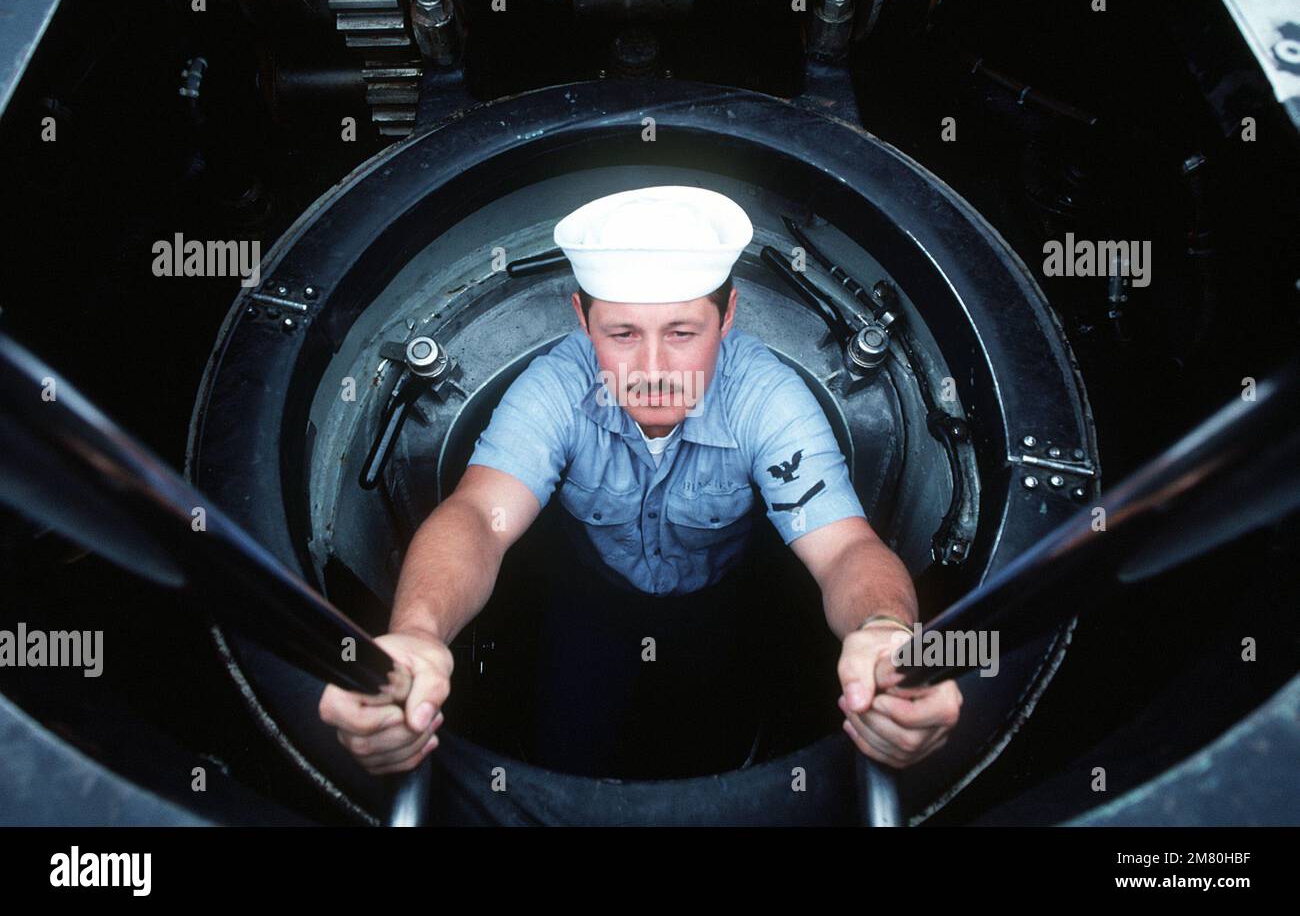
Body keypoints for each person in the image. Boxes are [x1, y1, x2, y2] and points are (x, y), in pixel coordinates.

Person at [317, 185, 963, 779]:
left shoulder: (766, 397)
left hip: (715, 609)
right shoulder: (557, 386)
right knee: (568, 743)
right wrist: (417, 634)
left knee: (713, 735)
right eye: (622, 332)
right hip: (587, 607)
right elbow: (480, 515)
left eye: (683, 332)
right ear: (581, 316)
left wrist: (883, 629)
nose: (653, 369)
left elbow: (845, 547)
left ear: (729, 314)